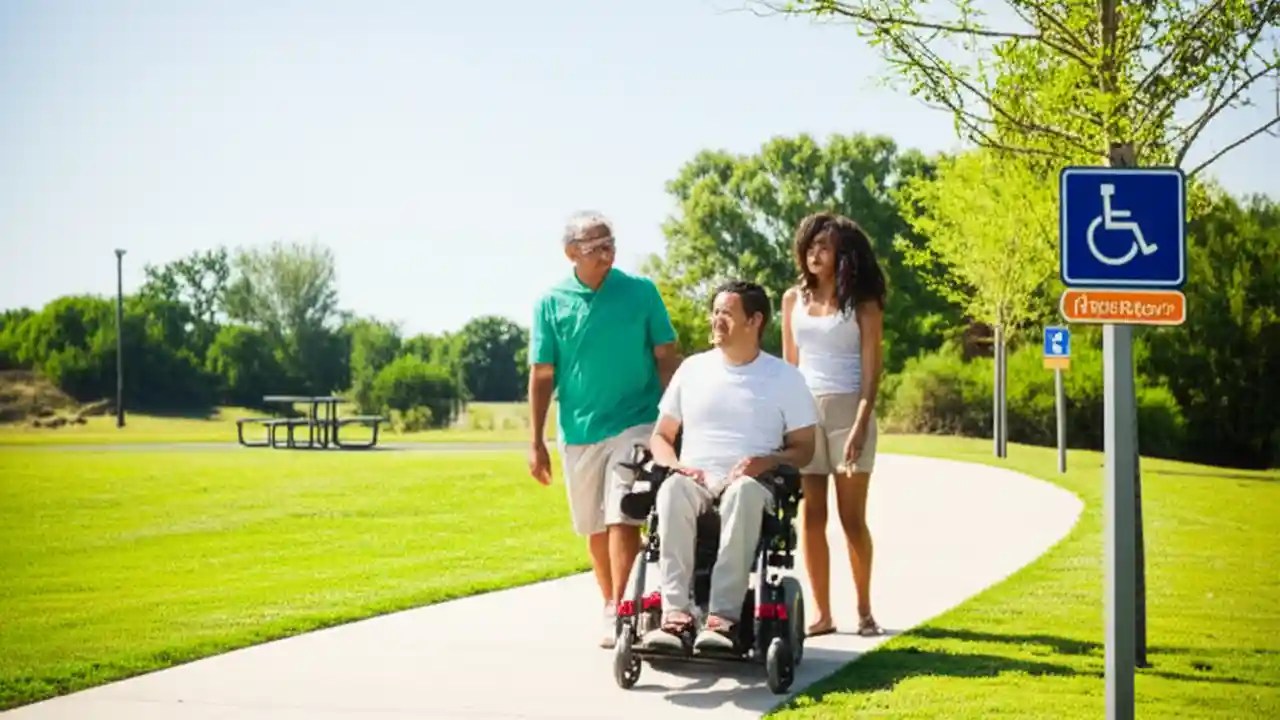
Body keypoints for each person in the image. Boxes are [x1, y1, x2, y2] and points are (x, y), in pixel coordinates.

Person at [527, 210, 682, 649]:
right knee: (594, 525)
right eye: (595, 247)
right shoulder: (550, 302)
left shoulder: (641, 292)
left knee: (624, 512)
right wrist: (536, 441)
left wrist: (681, 414)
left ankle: (624, 612)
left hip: (637, 420)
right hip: (579, 430)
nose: (606, 253)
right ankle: (612, 603)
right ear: (571, 253)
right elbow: (542, 374)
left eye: (610, 243)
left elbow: (665, 355)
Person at [643, 280, 818, 653]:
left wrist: (768, 460)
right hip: (695, 480)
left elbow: (805, 449)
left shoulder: (785, 378)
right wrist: (675, 466)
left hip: (754, 483)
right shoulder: (692, 370)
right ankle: (675, 616)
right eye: (715, 311)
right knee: (671, 489)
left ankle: (722, 619)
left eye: (726, 313)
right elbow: (661, 436)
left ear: (755, 321)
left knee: (742, 493)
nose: (716, 320)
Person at [780, 211, 887, 638]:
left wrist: (860, 425)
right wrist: (784, 420)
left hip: (848, 412)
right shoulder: (793, 300)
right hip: (804, 413)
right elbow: (790, 366)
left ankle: (864, 610)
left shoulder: (863, 303)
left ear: (843, 253)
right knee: (811, 517)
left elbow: (871, 371)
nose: (814, 253)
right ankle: (822, 614)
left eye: (824, 245)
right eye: (810, 245)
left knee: (851, 519)